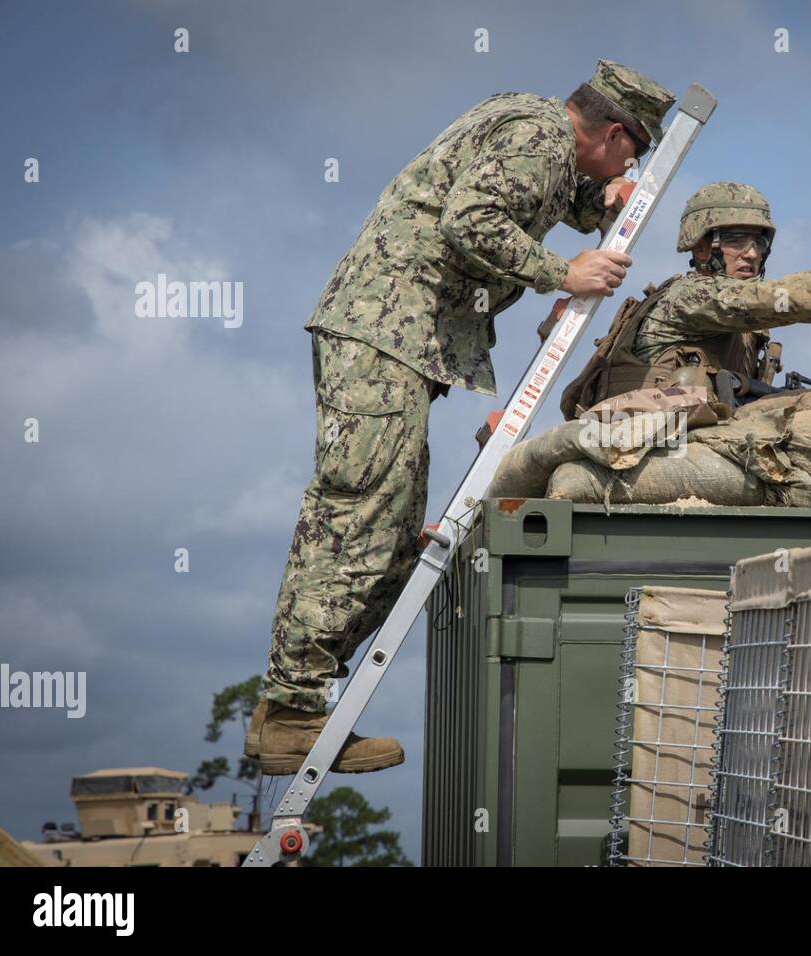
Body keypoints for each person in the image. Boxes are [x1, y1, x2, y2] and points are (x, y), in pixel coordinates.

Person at [247, 61, 675, 775]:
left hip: (397, 340)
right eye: (633, 149)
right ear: (609, 131)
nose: (634, 161)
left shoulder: (536, 128)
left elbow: (533, 194)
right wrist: (561, 272)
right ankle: (291, 708)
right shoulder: (538, 137)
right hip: (386, 334)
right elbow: (473, 217)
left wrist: (600, 199)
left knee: (389, 536)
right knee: (359, 517)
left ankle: (295, 706)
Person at [560, 182, 811, 418]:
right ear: (700, 248)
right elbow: (783, 299)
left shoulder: (741, 326)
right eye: (734, 241)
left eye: (759, 242)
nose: (751, 253)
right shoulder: (690, 295)